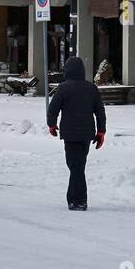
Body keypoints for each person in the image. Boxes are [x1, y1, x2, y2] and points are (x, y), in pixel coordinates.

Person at [46, 56, 106, 211]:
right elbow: (100, 111)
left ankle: (77, 200)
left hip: (70, 134)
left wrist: (52, 125)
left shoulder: (63, 88)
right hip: (87, 134)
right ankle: (78, 199)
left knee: (75, 166)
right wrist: (101, 132)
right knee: (78, 165)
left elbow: (53, 109)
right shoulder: (91, 88)